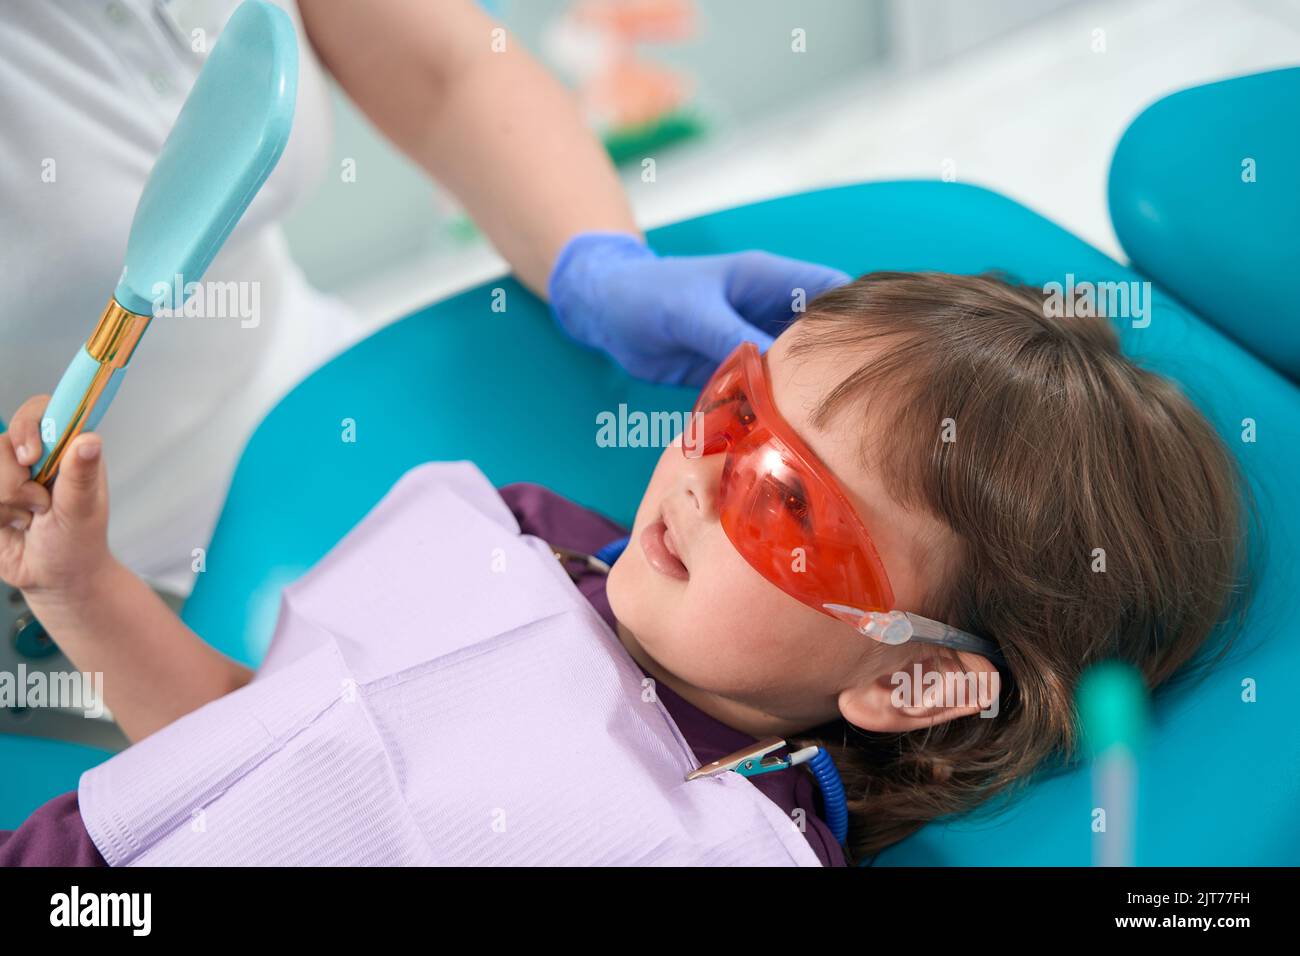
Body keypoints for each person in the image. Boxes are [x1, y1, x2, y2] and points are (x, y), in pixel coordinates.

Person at [0, 271, 1249, 865]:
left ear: (911, 681)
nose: (705, 471)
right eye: (731, 405)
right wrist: (80, 586)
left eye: (786, 501)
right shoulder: (511, 531)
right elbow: (237, 754)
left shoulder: (720, 848)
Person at [0, 0, 846, 595]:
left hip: (329, 411)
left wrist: (597, 263)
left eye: (797, 500)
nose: (708, 485)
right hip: (81, 569)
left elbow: (446, 74)